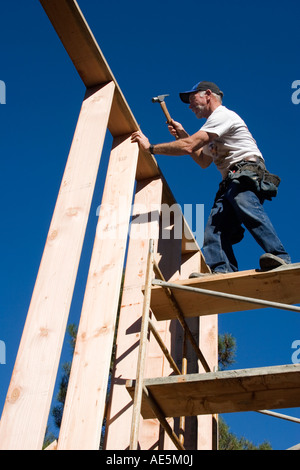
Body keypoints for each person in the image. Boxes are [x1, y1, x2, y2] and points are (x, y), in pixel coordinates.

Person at [131, 81, 291, 275]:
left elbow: (190, 146)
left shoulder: (222, 115)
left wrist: (151, 148)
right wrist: (182, 134)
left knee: (245, 203)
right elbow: (202, 160)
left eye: (192, 99)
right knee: (215, 228)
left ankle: (279, 256)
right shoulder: (213, 128)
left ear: (208, 94)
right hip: (231, 180)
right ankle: (221, 271)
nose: (189, 106)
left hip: (245, 171)